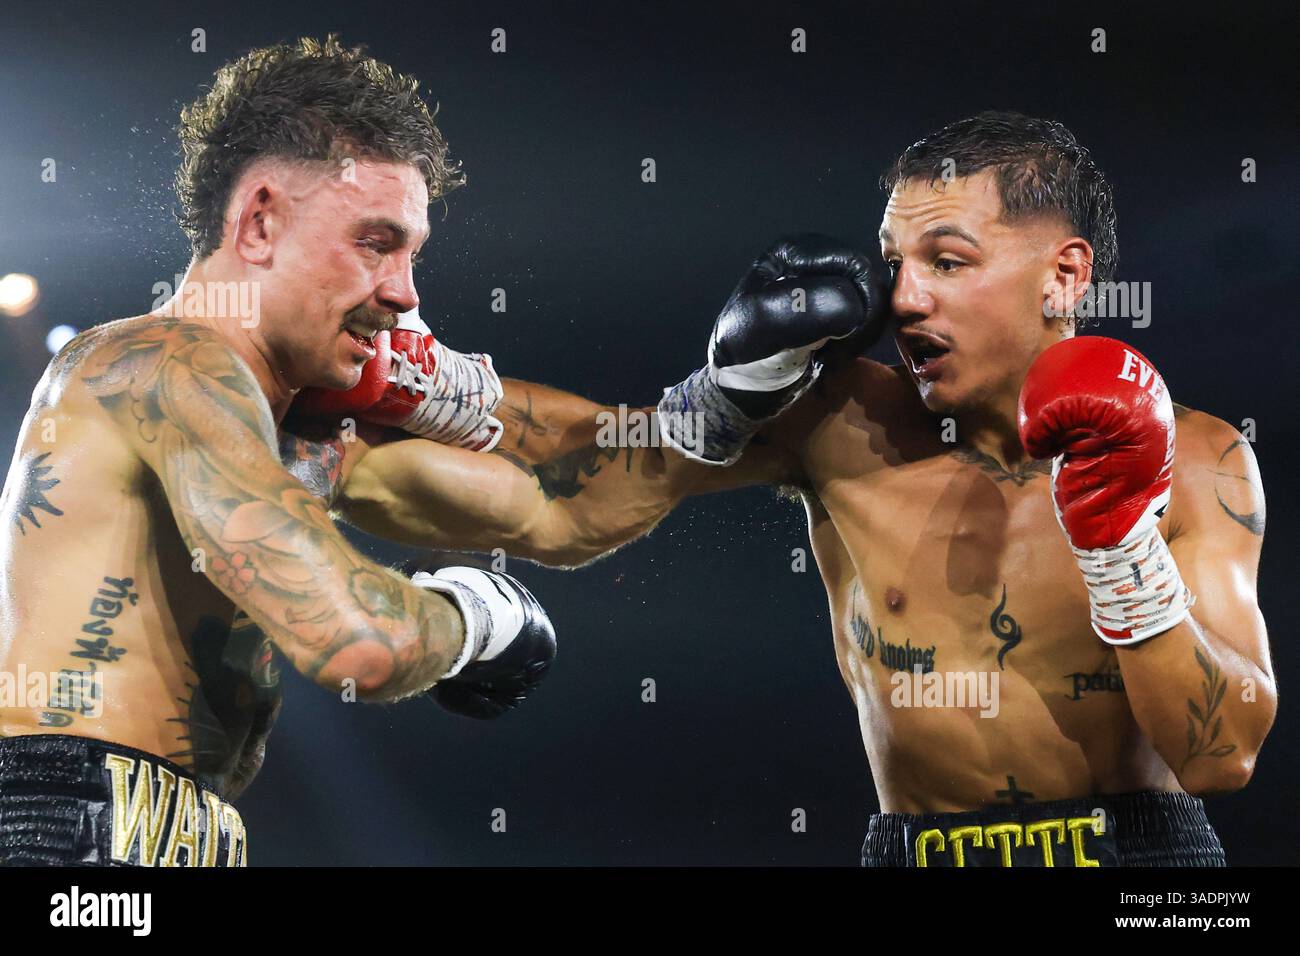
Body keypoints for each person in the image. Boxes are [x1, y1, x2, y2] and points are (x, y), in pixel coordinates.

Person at [312, 112, 1276, 866]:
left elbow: (1220, 755)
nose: (903, 298)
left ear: (1063, 277)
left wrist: (1117, 542)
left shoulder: (1200, 458)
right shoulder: (843, 419)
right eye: (897, 262)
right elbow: (595, 477)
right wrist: (427, 386)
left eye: (947, 262)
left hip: (1143, 867)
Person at [0, 36, 556, 868]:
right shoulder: (160, 366)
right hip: (71, 832)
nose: (407, 293)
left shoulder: (292, 433)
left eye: (412, 254)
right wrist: (477, 619)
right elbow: (357, 645)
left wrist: (726, 410)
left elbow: (565, 508)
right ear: (259, 221)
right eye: (376, 242)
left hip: (175, 831)